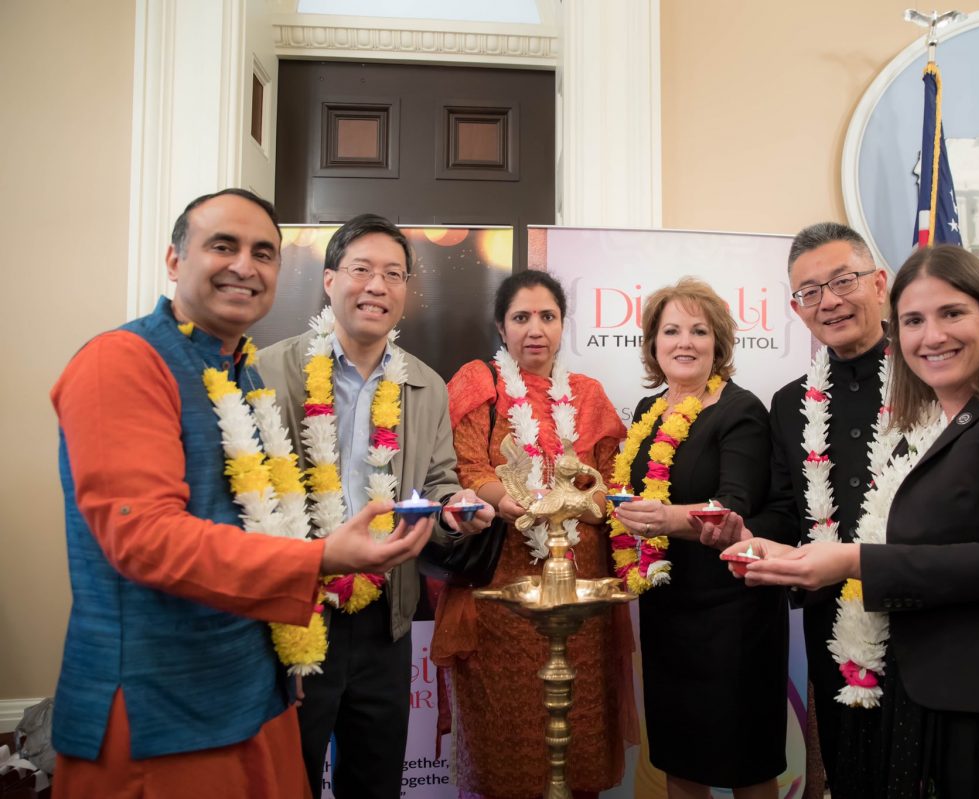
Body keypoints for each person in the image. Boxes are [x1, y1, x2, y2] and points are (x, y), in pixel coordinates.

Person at [50, 189, 436, 799]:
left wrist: (286, 650)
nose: (245, 266)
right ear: (175, 260)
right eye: (222, 246)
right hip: (162, 715)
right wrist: (321, 561)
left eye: (264, 253)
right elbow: (142, 540)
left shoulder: (243, 374)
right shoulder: (122, 361)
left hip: (259, 695)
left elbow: (258, 525)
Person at [729, 244, 979, 797]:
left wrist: (851, 561)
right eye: (914, 322)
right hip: (894, 676)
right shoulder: (919, 412)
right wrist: (779, 550)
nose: (932, 336)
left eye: (951, 313)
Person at [256, 213, 494, 799]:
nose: (377, 286)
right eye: (362, 269)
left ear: (406, 293)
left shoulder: (427, 386)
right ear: (331, 280)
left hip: (386, 616)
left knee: (376, 783)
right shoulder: (268, 370)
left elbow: (436, 486)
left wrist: (453, 511)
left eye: (393, 274)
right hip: (296, 612)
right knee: (288, 781)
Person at [698, 222, 891, 796]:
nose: (828, 301)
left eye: (843, 281)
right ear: (797, 308)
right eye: (810, 292)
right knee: (848, 762)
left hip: (923, 611)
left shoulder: (931, 376)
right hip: (831, 617)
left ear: (879, 283)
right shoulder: (789, 403)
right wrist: (754, 535)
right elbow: (790, 511)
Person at [431, 270, 636, 799]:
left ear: (563, 324)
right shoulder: (480, 385)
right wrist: (515, 502)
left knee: (582, 732)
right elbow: (465, 468)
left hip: (581, 589)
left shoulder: (588, 396)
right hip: (504, 592)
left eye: (547, 316)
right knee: (506, 737)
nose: (535, 329)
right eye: (521, 317)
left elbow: (612, 484)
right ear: (501, 326)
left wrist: (578, 506)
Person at [611, 277, 785, 799]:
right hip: (668, 606)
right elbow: (633, 492)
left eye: (698, 330)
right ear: (653, 345)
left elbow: (732, 507)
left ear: (719, 343)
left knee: (745, 762)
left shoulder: (741, 410)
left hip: (733, 612)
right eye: (671, 331)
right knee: (678, 758)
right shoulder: (646, 414)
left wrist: (665, 519)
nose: (684, 342)